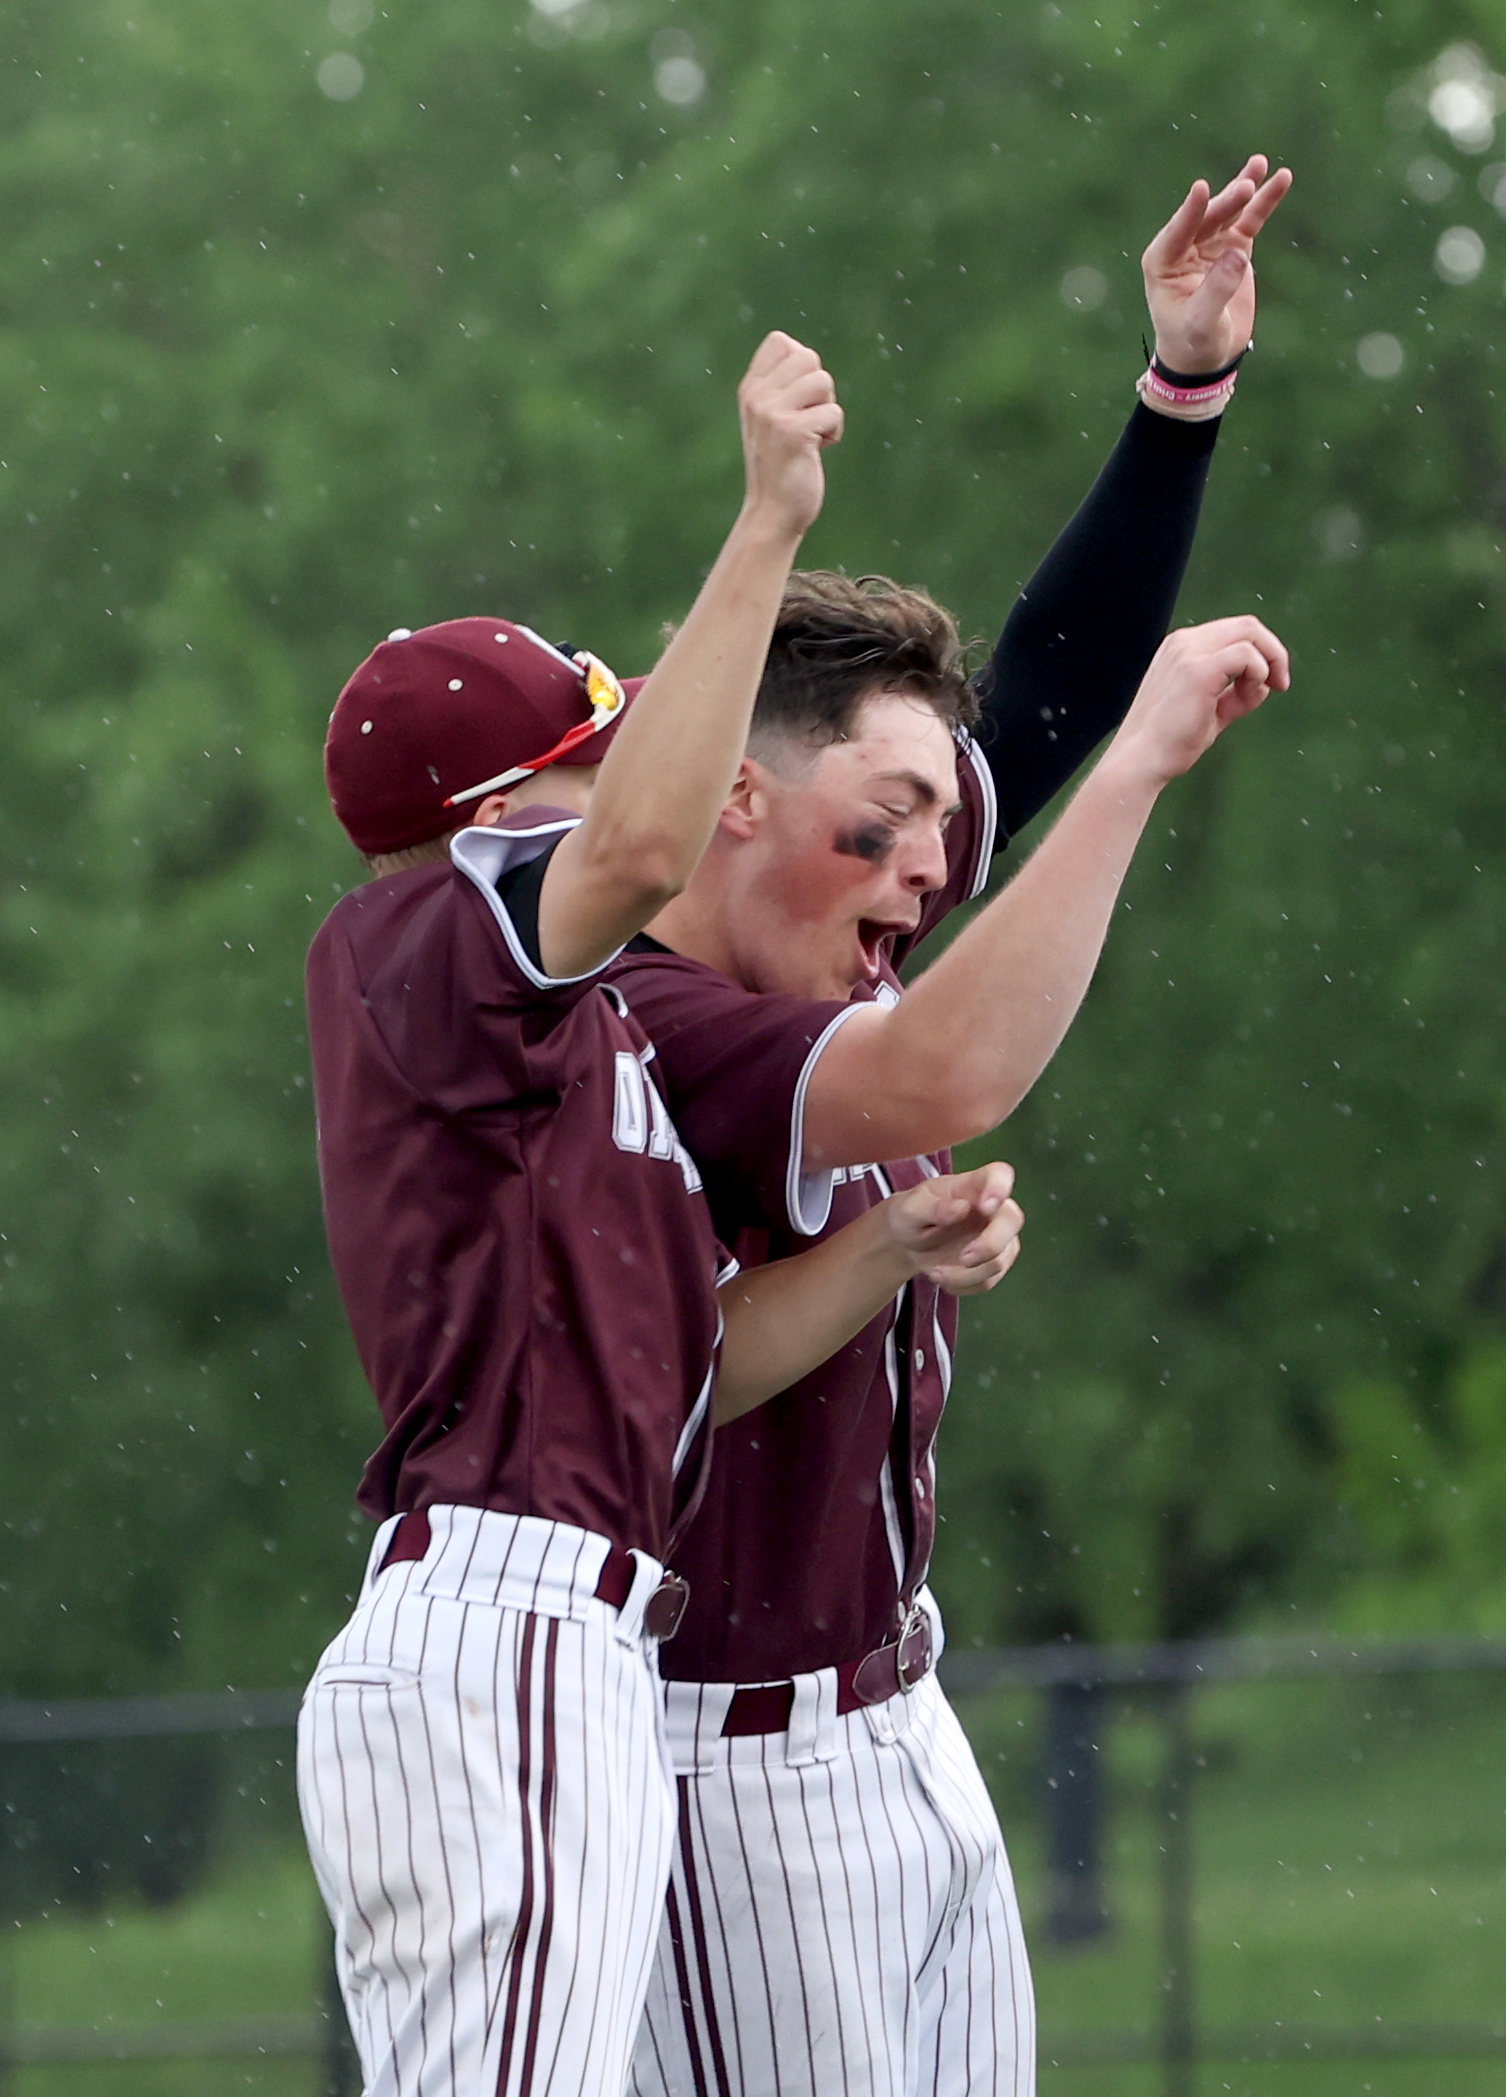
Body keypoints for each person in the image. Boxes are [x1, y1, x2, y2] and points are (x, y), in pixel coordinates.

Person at [614, 162, 1292, 2095]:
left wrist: (1179, 394)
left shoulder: (824, 899)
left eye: (940, 816)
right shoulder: (659, 1015)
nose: (936, 854)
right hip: (727, 1756)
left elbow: (1051, 687)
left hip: (898, 1702)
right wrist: (1148, 766)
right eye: (889, 815)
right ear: (735, 799)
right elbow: (943, 1086)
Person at [294, 333, 1027, 2097]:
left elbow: (699, 1360)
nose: (662, 793)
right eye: (595, 758)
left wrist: (881, 1249)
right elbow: (628, 848)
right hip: (501, 1626)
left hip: (571, 1639)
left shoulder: (574, 1019)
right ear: (492, 814)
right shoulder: (428, 937)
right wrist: (770, 517)